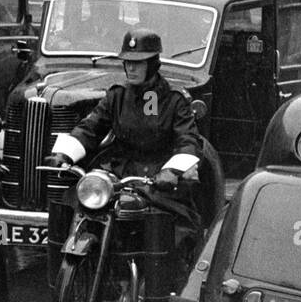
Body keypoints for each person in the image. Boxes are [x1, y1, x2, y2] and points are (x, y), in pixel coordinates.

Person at [44, 27, 202, 222]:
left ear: (153, 65)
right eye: (128, 62)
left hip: (159, 180)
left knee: (169, 226)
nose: (131, 69)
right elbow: (90, 127)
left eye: (138, 63)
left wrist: (172, 171)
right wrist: (63, 154)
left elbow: (188, 139)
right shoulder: (117, 96)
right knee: (74, 203)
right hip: (120, 175)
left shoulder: (174, 99)